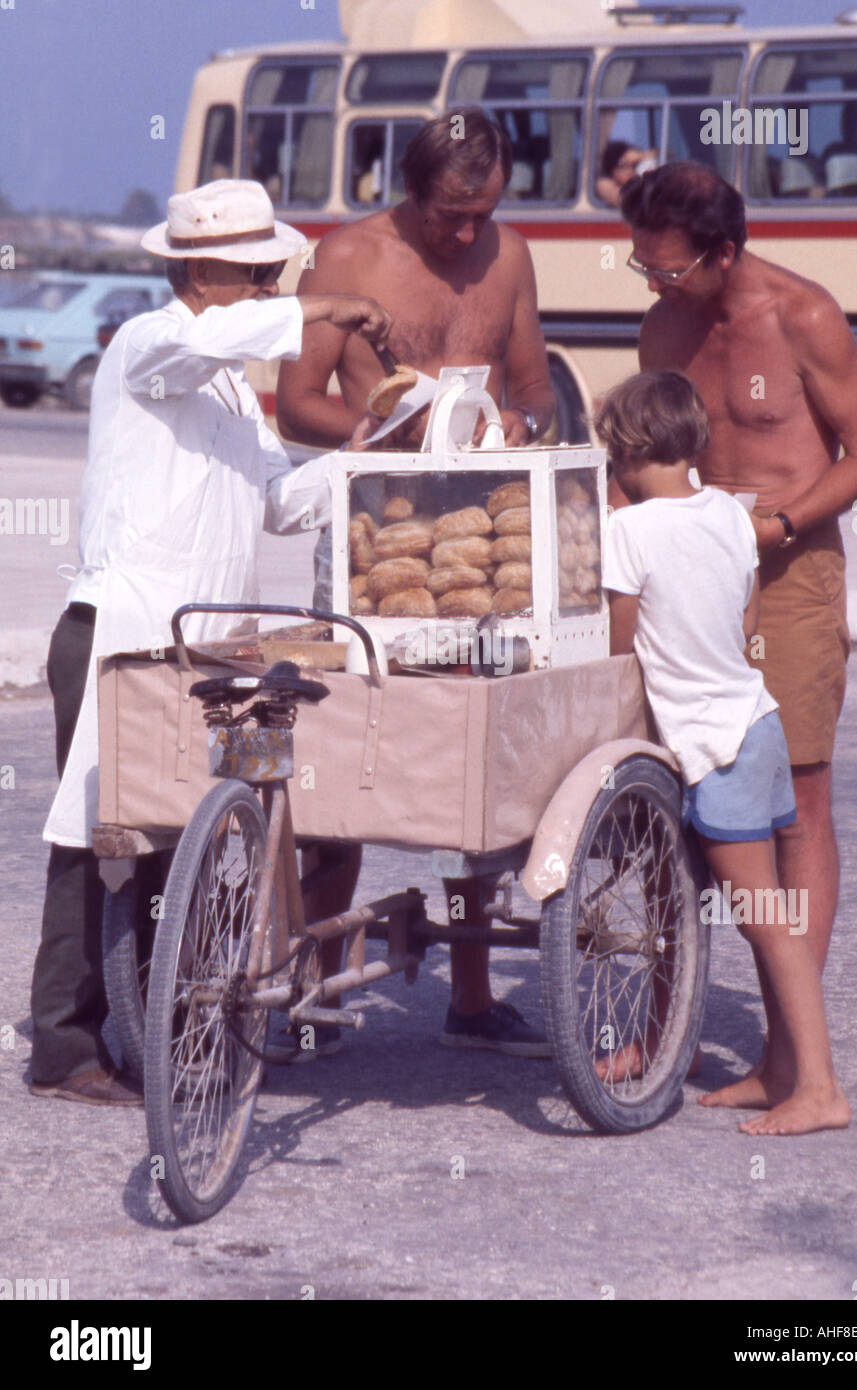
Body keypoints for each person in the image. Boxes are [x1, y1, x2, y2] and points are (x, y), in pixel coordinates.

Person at [29, 178, 392, 1105]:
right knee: (100, 842)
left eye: (275, 273)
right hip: (121, 635)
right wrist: (325, 308)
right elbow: (203, 344)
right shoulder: (151, 344)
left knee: (186, 841)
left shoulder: (229, 386)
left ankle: (164, 1023)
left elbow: (279, 500)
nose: (270, 287)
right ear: (197, 273)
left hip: (205, 651)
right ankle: (65, 1048)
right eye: (256, 274)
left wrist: (365, 452)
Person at [616, 161, 857, 1111]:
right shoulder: (665, 324)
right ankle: (662, 1027)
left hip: (789, 572)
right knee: (666, 791)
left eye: (668, 270)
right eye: (643, 268)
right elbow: (643, 456)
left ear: (724, 252)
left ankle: (790, 1055)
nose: (654, 287)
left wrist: (772, 526)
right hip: (688, 580)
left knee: (795, 803)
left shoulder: (803, 315)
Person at [276, 108, 556, 1056]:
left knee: (474, 748)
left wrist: (518, 426)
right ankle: (314, 985)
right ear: (410, 191)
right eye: (449, 216)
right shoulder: (347, 255)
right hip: (373, 524)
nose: (467, 235)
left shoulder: (508, 256)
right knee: (341, 737)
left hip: (479, 540)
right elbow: (296, 404)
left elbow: (535, 389)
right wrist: (380, 437)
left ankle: (470, 995)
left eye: (483, 214)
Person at [596, 369, 850, 1135]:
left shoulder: (627, 531)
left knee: (762, 917)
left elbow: (616, 652)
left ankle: (818, 1089)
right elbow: (745, 625)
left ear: (623, 450)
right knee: (741, 907)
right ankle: (763, 1068)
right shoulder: (733, 517)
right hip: (755, 724)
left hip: (711, 744)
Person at [595, 141, 656, 207]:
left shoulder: (641, 180)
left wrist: (641, 156)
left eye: (634, 165)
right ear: (611, 170)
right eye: (623, 166)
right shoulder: (603, 184)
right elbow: (624, 198)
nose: (630, 171)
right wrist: (641, 156)